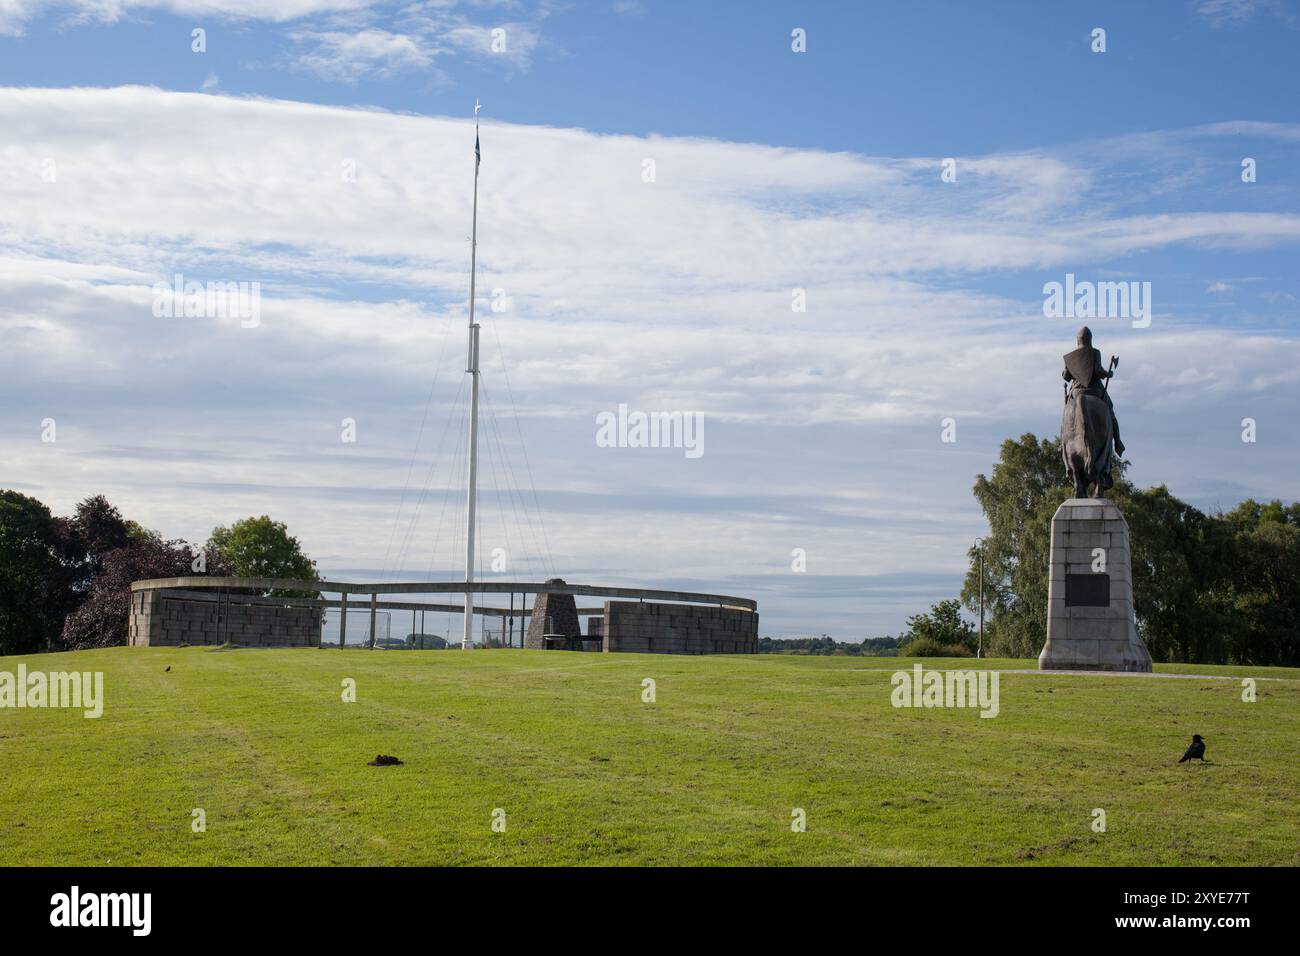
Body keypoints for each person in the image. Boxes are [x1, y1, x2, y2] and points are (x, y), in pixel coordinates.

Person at [1062, 326, 1124, 457]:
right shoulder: (1095, 352)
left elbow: (1066, 377)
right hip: (1095, 390)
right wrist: (1109, 374)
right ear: (1090, 339)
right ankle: (1117, 442)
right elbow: (1098, 371)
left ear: (1078, 340)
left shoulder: (1071, 356)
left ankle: (1063, 442)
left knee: (1067, 410)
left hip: (1076, 391)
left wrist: (1067, 368)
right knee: (1110, 410)